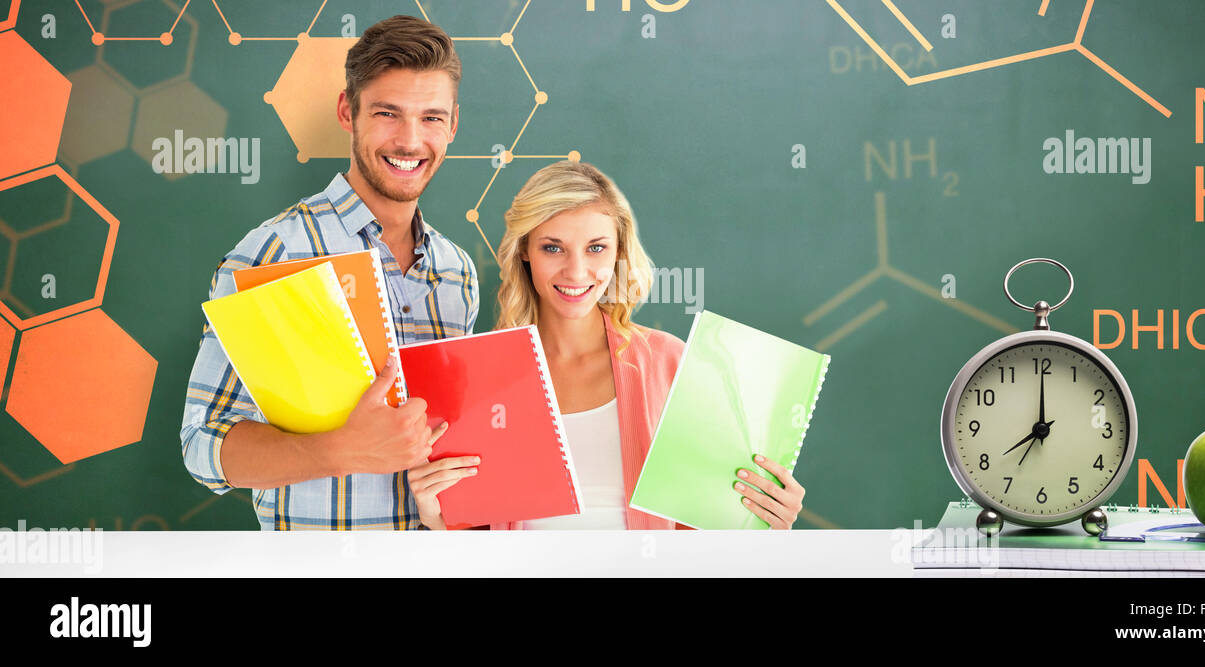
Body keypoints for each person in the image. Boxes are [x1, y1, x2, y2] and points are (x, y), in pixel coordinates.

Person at [180, 15, 480, 530]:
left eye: (431, 118)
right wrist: (343, 450)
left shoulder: (458, 272)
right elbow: (203, 444)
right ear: (348, 111)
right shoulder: (275, 252)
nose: (410, 141)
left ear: (453, 125)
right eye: (388, 113)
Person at [408, 161, 807, 530]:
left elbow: (707, 531)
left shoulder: (670, 364)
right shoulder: (479, 377)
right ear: (525, 252)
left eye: (596, 248)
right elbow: (478, 545)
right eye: (553, 247)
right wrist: (437, 519)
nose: (576, 271)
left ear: (618, 252)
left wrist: (764, 519)